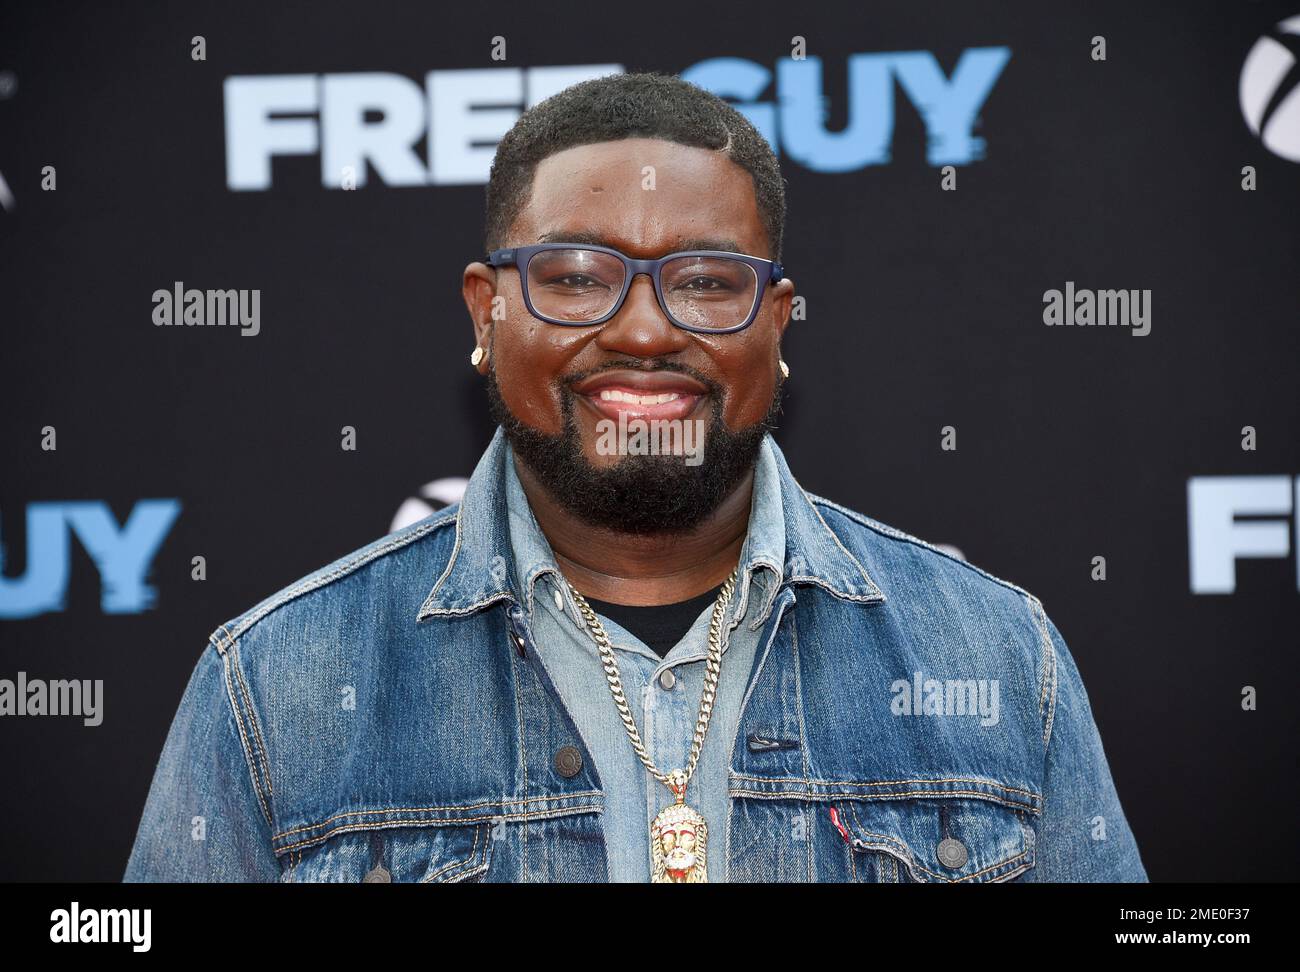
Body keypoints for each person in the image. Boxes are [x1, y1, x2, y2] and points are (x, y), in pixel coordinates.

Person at [124, 72, 1146, 883]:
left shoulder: (999, 657)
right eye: (575, 277)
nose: (645, 328)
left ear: (777, 325)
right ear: (487, 311)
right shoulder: (275, 688)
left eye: (705, 281)